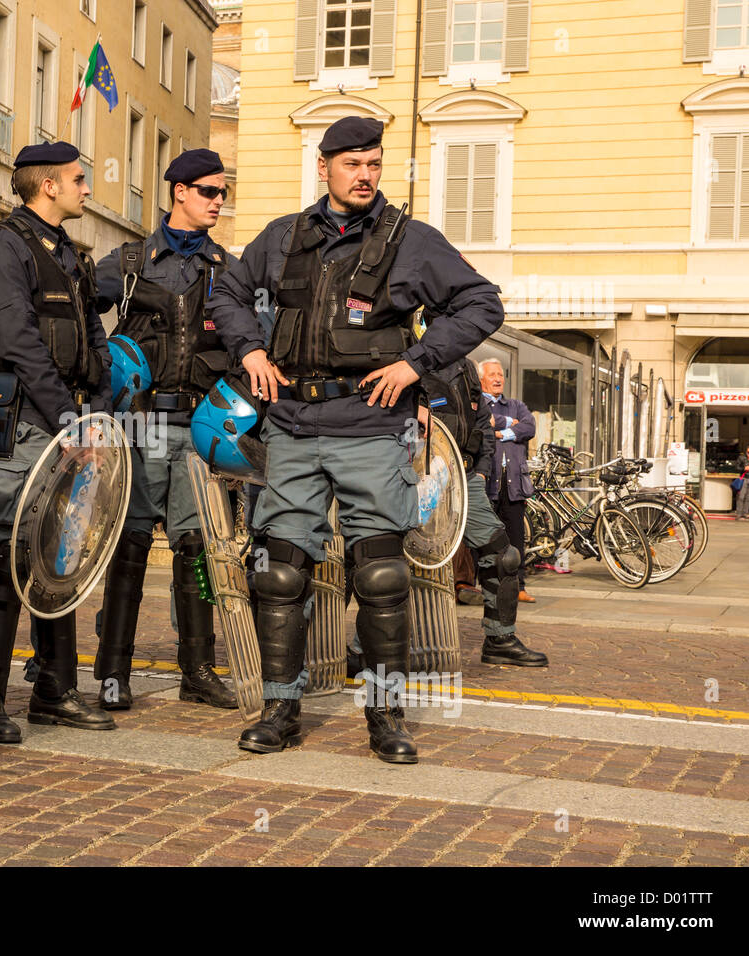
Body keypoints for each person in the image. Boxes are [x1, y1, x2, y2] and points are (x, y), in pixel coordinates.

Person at [208, 115, 504, 762]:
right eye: (352, 164)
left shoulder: (412, 242)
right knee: (281, 574)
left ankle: (385, 715)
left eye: (373, 163)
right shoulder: (283, 237)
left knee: (380, 575)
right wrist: (251, 349)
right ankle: (281, 709)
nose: (365, 175)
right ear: (325, 168)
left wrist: (417, 363)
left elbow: (482, 302)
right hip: (292, 426)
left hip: (372, 427)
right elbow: (228, 292)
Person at [0, 141, 115, 742]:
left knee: (62, 557)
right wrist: (68, 419)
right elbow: (19, 343)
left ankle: (54, 689)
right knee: (8, 556)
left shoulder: (70, 256)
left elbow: (97, 344)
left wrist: (95, 415)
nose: (85, 188)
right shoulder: (3, 252)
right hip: (25, 425)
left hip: (70, 425)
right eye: (79, 179)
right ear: (48, 185)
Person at [90, 148, 239, 712]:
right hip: (143, 425)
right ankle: (113, 671)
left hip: (201, 429)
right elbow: (79, 318)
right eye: (209, 192)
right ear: (178, 191)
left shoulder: (228, 269)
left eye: (223, 193)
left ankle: (198, 668)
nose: (218, 202)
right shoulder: (128, 264)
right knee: (127, 547)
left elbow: (251, 341)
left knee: (197, 550)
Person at [420, 357, 548, 667]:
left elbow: (483, 426)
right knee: (381, 562)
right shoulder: (411, 355)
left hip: (465, 477)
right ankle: (366, 647)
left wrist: (479, 470)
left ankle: (499, 639)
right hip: (415, 472)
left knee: (505, 556)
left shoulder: (464, 368)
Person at [479, 358, 536, 602]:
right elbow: (481, 428)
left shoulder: (515, 405)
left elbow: (529, 427)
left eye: (500, 374)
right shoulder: (478, 406)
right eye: (492, 374)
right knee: (485, 540)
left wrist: (501, 433)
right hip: (487, 484)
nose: (498, 379)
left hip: (513, 484)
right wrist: (506, 428)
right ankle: (483, 587)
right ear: (482, 379)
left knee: (515, 539)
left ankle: (518, 587)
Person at [735, 443, 749, 520]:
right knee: (741, 497)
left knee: (748, 498)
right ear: (747, 449)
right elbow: (736, 468)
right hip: (744, 479)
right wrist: (743, 468)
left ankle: (745, 514)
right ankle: (739, 514)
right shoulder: (741, 457)